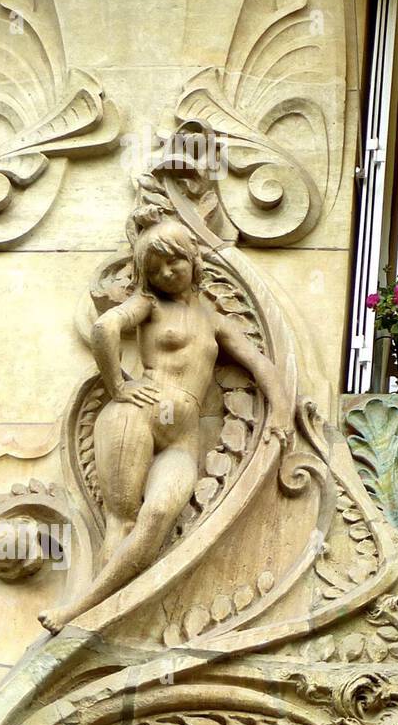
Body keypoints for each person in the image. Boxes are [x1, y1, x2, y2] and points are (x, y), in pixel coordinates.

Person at [39, 219, 292, 633]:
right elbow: (106, 327)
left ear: (192, 258)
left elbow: (259, 362)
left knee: (157, 513)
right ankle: (84, 615)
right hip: (134, 414)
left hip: (183, 436)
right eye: (155, 270)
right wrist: (118, 384)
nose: (167, 274)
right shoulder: (150, 305)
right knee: (122, 519)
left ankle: (102, 611)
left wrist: (281, 412)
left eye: (174, 262)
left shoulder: (212, 319)